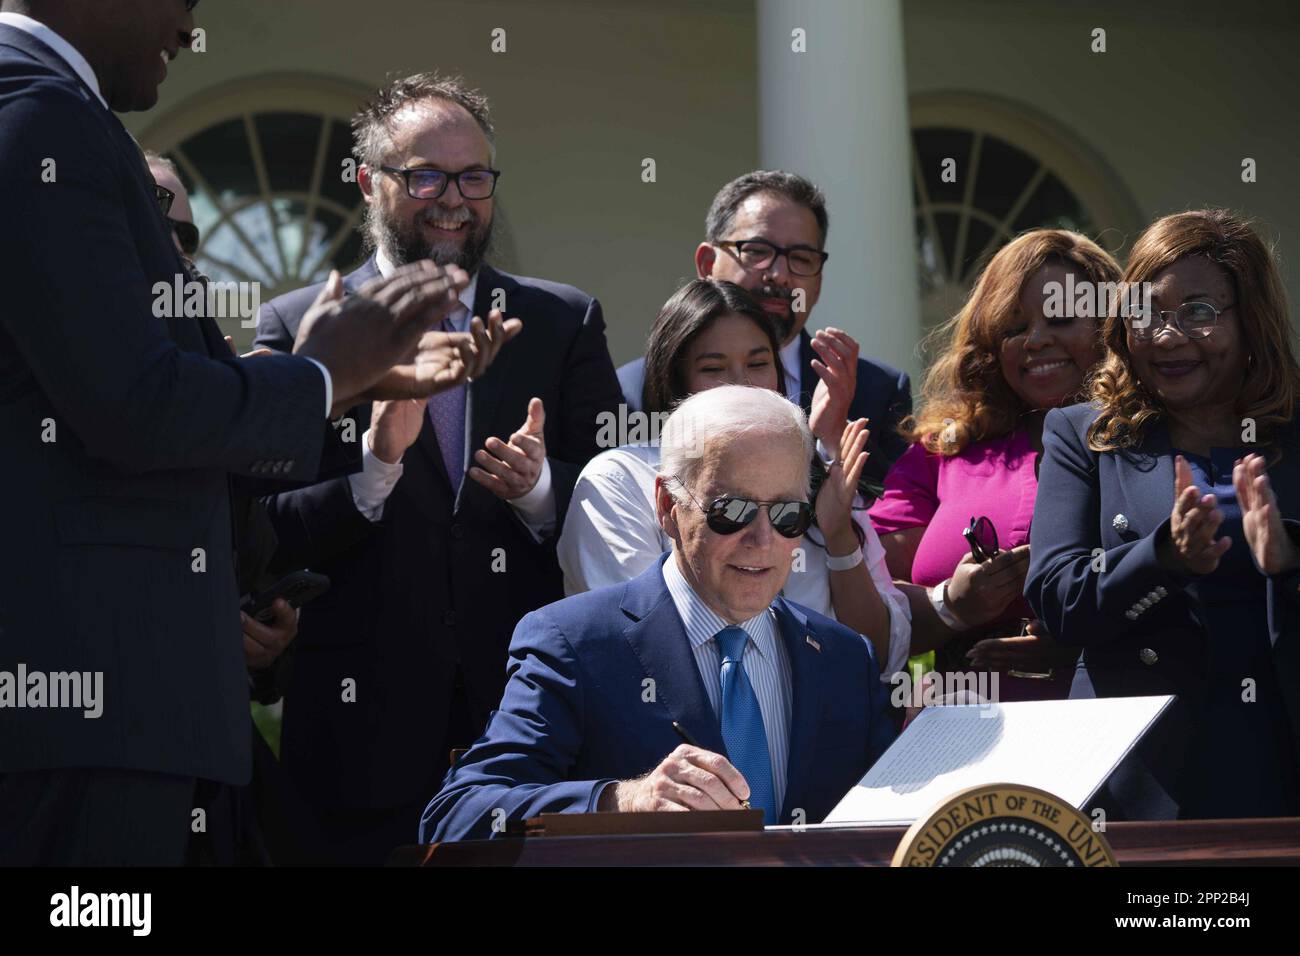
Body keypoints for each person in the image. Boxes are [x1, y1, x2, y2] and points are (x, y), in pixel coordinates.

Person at [0, 0, 487, 866]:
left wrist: (338, 387)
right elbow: (134, 406)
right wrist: (320, 373)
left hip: (136, 720)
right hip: (93, 717)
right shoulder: (40, 113)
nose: (192, 28)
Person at [254, 71, 624, 864]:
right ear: (368, 182)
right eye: (424, 175)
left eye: (473, 177)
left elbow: (617, 507)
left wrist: (542, 493)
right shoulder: (301, 327)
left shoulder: (560, 320)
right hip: (358, 740)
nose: (453, 198)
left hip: (529, 729)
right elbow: (261, 528)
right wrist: (375, 468)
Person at [421, 386, 897, 842]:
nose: (763, 539)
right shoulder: (575, 643)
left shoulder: (844, 660)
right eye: (731, 510)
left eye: (788, 513)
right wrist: (623, 801)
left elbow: (891, 828)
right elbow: (458, 815)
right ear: (668, 505)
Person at [1027, 210, 1300, 819]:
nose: (1167, 337)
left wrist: (1288, 564)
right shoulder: (1085, 435)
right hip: (1140, 781)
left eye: (1199, 312)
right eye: (1147, 313)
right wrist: (1163, 557)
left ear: (1250, 320)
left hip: (1278, 764)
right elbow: (1056, 599)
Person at [559, 278, 911, 679]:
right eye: (713, 368)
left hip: (821, 733)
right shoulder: (620, 480)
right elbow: (637, 645)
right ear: (673, 381)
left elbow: (880, 658)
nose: (742, 383)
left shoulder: (818, 468)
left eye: (758, 364)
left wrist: (838, 534)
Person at [870, 229, 1121, 700]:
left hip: (1107, 729)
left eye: (1062, 318)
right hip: (961, 737)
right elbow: (866, 601)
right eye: (1013, 327)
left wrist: (1083, 640)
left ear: (1110, 325)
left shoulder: (1145, 445)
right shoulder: (941, 451)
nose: (1035, 340)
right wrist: (953, 606)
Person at [617, 170, 911, 486]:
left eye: (801, 258)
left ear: (819, 280)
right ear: (707, 264)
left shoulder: (875, 392)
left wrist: (834, 442)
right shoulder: (632, 391)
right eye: (757, 252)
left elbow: (897, 522)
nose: (780, 275)